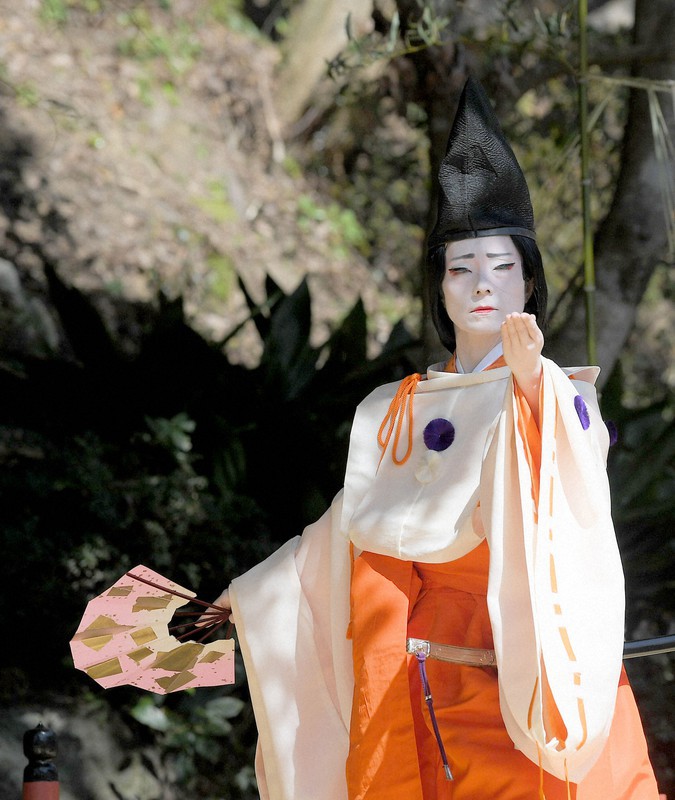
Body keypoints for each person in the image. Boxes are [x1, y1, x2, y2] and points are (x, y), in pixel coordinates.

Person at [210, 77, 659, 800]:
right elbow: (344, 530)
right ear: (439, 289)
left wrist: (530, 386)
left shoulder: (559, 395)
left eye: (503, 268)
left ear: (528, 285)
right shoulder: (400, 407)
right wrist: (245, 597)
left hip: (526, 673)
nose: (482, 285)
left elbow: (573, 482)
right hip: (417, 674)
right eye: (461, 269)